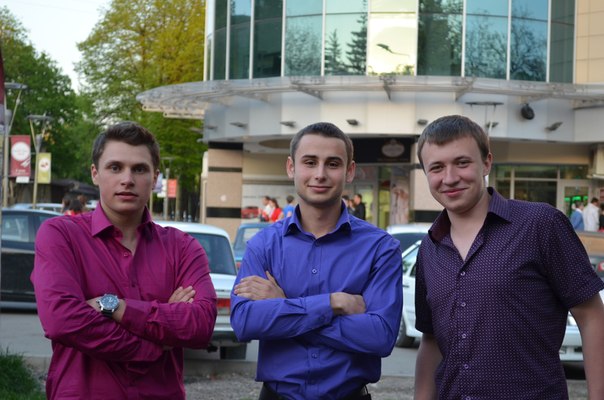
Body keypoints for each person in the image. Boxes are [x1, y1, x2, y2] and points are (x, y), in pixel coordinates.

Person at [413, 115, 604, 399]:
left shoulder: (540, 224)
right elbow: (431, 340)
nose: (450, 178)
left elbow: (591, 317)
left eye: (462, 163)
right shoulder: (430, 248)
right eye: (437, 167)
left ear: (486, 163)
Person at [31, 121, 218, 400]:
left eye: (139, 169)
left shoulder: (182, 248)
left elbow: (201, 325)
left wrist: (113, 306)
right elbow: (62, 320)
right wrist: (155, 344)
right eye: (115, 167)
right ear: (95, 173)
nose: (127, 179)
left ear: (155, 177)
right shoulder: (61, 236)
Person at [230, 122, 403, 400]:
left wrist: (284, 306)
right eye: (310, 162)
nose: (320, 174)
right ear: (291, 167)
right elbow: (245, 323)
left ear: (349, 171)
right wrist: (332, 303)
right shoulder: (263, 245)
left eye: (332, 164)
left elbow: (380, 337)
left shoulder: (380, 248)